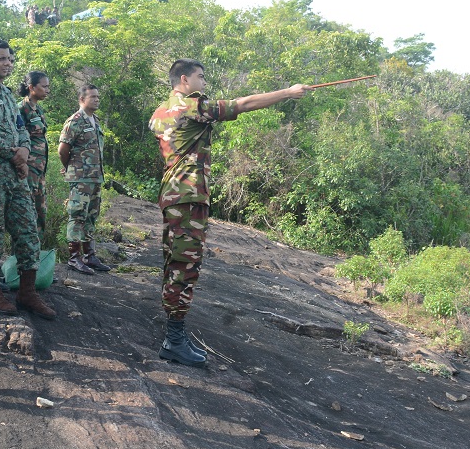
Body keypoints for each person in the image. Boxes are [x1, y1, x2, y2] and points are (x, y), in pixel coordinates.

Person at [148, 59, 309, 367]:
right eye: (200, 77)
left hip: (173, 194)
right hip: (188, 195)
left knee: (175, 262)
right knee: (185, 266)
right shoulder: (192, 106)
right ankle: (174, 340)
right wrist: (288, 92)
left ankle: (175, 335)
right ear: (184, 80)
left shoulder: (159, 113)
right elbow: (243, 104)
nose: (204, 82)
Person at [0, 38, 56, 319]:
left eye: (10, 59)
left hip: (16, 174)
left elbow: (20, 127)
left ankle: (27, 292)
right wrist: (14, 155)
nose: (8, 63)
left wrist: (24, 150)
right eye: (1, 59)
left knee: (28, 230)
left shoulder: (8, 94)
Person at [59, 84, 111, 274]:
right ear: (82, 99)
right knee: (77, 215)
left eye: (98, 97)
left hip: (95, 177)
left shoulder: (94, 120)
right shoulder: (75, 121)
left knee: (91, 216)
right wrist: (70, 168)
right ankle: (74, 258)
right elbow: (63, 150)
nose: (97, 100)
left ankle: (90, 256)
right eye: (93, 97)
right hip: (80, 177)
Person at [18, 71, 50, 235]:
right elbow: (17, 138)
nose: (47, 90)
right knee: (26, 212)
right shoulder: (21, 109)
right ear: (31, 87)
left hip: (39, 170)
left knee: (40, 212)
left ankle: (38, 247)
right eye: (44, 86)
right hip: (28, 170)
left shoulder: (39, 110)